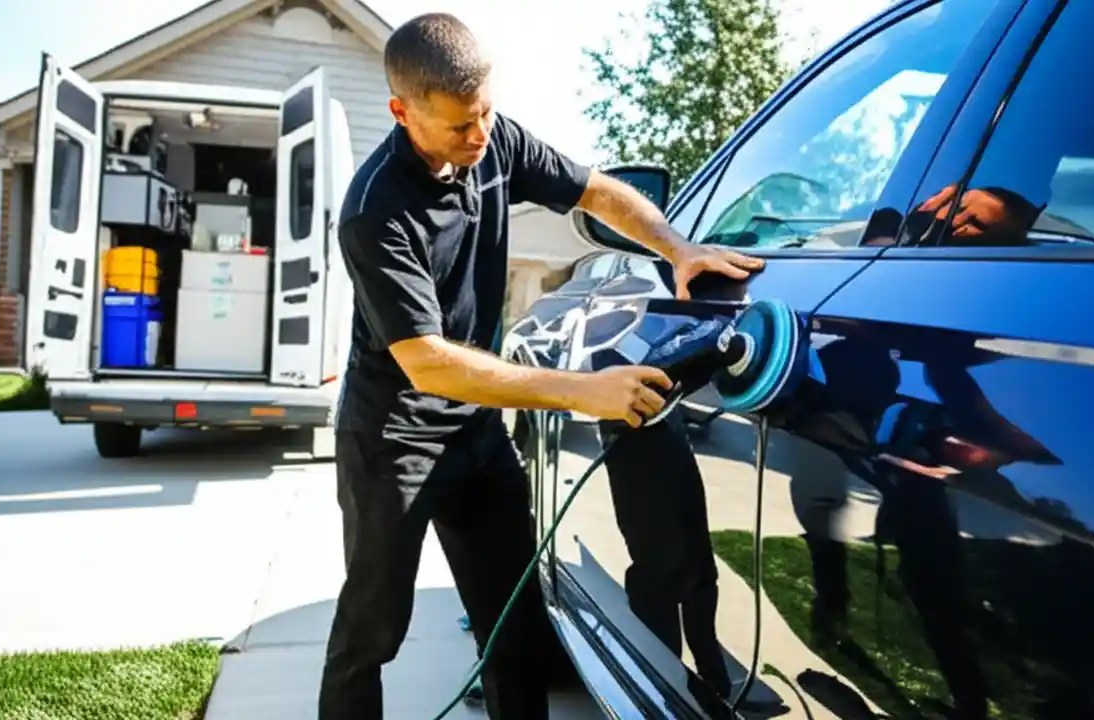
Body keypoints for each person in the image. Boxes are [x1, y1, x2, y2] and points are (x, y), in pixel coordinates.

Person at [317, 12, 763, 720]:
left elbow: (598, 191)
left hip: (475, 432)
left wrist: (678, 249)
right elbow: (428, 364)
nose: (479, 135)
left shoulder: (495, 142)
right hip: (392, 440)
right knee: (372, 633)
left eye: (486, 113)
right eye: (460, 125)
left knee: (513, 629)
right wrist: (583, 392)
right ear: (403, 113)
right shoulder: (375, 211)